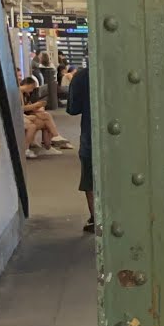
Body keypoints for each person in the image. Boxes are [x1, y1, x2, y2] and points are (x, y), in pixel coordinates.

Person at [66, 66, 94, 233]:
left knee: (90, 179)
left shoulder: (81, 76)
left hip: (90, 135)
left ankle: (97, 219)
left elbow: (72, 109)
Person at [19, 78, 73, 158]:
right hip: (21, 117)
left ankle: (49, 145)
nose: (31, 91)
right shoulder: (19, 92)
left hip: (25, 115)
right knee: (37, 123)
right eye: (32, 88)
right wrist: (35, 106)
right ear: (29, 85)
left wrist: (37, 108)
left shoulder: (25, 94)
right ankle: (54, 137)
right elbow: (20, 108)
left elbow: (26, 108)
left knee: (45, 119)